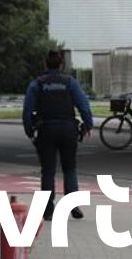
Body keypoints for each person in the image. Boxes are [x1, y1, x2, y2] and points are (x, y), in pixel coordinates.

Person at [23, 50, 94, 221]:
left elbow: (27, 109)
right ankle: (73, 206)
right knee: (69, 168)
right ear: (61, 65)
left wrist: (29, 129)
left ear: (45, 65)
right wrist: (88, 124)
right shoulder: (70, 82)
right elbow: (83, 104)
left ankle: (48, 210)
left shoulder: (37, 84)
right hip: (68, 129)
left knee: (48, 171)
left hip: (46, 129)